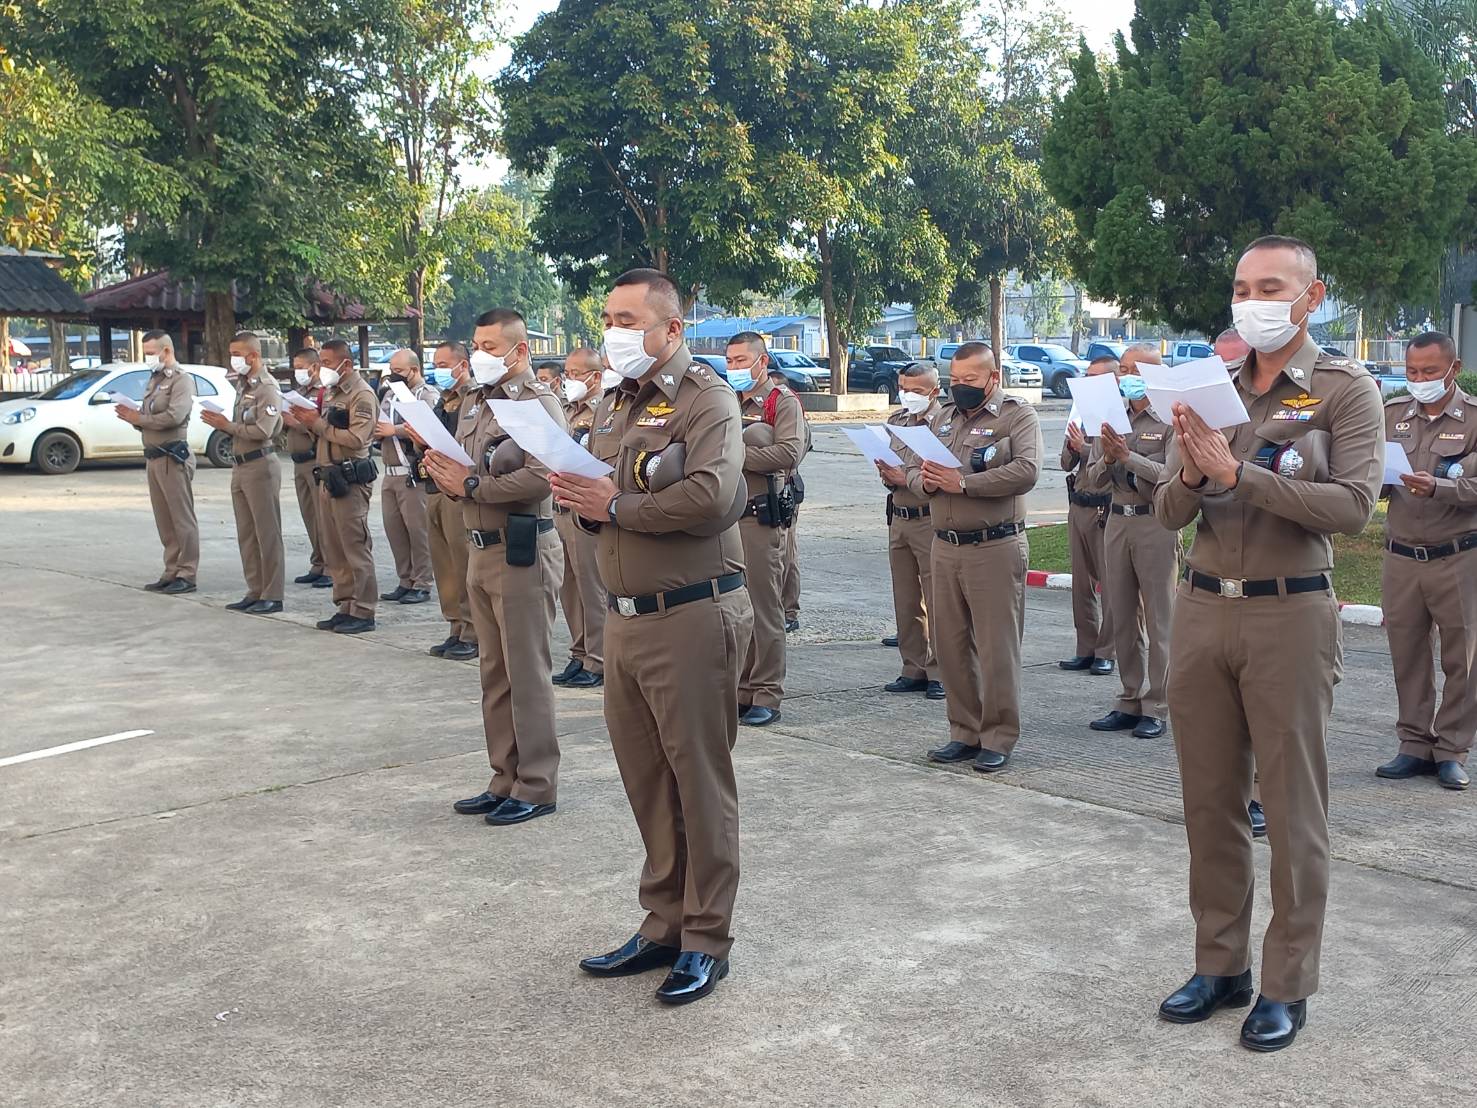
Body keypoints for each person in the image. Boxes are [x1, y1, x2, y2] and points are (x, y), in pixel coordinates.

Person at [1153, 235, 1382, 1052]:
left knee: (1289, 810)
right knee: (1209, 803)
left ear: (1310, 297)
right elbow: (1167, 514)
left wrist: (1236, 475)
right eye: (1243, 285)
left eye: (1271, 286)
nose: (1252, 300)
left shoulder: (1341, 390)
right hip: (1202, 608)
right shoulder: (1207, 387)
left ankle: (1285, 983)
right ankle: (1219, 966)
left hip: (1289, 614)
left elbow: (1353, 506)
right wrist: (1185, 471)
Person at [550, 268, 753, 1007]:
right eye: (608, 317)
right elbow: (601, 495)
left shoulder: (707, 397)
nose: (614, 331)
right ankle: (661, 921)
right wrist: (578, 492)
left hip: (693, 615)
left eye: (629, 319)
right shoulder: (611, 400)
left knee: (699, 783)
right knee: (646, 780)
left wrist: (616, 503)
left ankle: (706, 937)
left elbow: (711, 495)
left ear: (671, 329)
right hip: (625, 620)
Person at [422, 308, 565, 827]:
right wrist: (443, 469)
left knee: (526, 674)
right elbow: (467, 464)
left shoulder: (538, 402)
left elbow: (545, 475)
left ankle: (537, 783)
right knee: (494, 674)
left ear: (519, 351)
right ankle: (503, 775)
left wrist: (472, 486)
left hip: (522, 551)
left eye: (489, 346)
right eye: (476, 344)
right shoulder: (478, 402)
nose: (478, 354)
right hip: (480, 549)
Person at [910, 342, 1042, 773]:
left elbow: (1026, 471)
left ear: (993, 378)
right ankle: (963, 731)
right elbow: (913, 466)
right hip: (945, 545)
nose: (960, 386)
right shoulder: (943, 416)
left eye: (970, 380)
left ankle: (998, 736)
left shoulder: (1016, 415)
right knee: (950, 646)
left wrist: (962, 483)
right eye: (955, 379)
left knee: (995, 648)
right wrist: (925, 482)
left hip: (994, 546)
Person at [1376, 331, 1475, 792]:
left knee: (1463, 657)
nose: (1419, 380)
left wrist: (1440, 488)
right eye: (1412, 372)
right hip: (1402, 555)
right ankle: (1414, 744)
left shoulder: (1473, 419)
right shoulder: (1392, 413)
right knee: (1407, 652)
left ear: (1452, 369)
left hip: (1457, 556)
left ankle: (1452, 748)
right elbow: (1367, 472)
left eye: (1429, 372)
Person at [1086, 345, 1178, 740]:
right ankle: (1128, 696)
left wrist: (1128, 458)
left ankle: (1158, 703)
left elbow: (1173, 473)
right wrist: (1108, 459)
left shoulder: (1172, 419)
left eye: (1133, 369)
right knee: (1121, 614)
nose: (1125, 376)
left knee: (1160, 618)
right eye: (1122, 369)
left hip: (1155, 522)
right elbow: (1090, 479)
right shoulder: (1111, 416)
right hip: (1117, 522)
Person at [729, 331, 806, 727]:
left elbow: (791, 452)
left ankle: (767, 692)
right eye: (731, 361)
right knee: (736, 612)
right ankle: (742, 688)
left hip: (761, 518)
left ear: (762, 361)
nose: (735, 368)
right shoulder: (727, 401)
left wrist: (735, 453)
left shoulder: (780, 401)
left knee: (764, 610)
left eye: (742, 360)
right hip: (727, 519)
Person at [292, 337, 380, 634]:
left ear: (346, 364)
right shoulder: (331, 393)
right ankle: (346, 604)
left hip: (350, 478)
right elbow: (324, 432)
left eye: (327, 363)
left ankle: (364, 610)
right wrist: (306, 420)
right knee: (335, 548)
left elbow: (358, 439)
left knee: (354, 546)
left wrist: (316, 424)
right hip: (328, 477)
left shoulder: (361, 394)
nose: (322, 369)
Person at [201, 332, 285, 614]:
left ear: (253, 356)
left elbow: (263, 430)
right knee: (246, 533)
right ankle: (255, 589)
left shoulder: (267, 387)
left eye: (238, 354)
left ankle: (272, 594)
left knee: (267, 532)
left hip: (261, 464)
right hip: (240, 464)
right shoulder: (244, 384)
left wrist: (227, 426)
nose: (234, 360)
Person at [878, 363, 946, 699]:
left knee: (939, 600)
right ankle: (913, 667)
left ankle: (941, 671)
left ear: (934, 390)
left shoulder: (947, 422)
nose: (908, 395)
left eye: (917, 390)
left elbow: (940, 472)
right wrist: (884, 471)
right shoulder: (897, 421)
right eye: (904, 388)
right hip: (899, 517)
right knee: (906, 599)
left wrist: (905, 477)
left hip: (929, 517)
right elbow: (891, 465)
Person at [116, 330, 198, 594]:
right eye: (146, 353)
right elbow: (149, 416)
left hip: (172, 457)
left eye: (151, 352)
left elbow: (174, 416)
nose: (148, 358)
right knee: (164, 520)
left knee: (182, 519)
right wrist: (134, 418)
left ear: (166, 351)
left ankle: (187, 572)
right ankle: (171, 570)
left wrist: (139, 419)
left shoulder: (181, 380)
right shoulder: (154, 380)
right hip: (153, 457)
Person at [415, 341, 478, 660]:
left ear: (462, 365)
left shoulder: (474, 398)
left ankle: (472, 630)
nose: (438, 369)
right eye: (435, 363)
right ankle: (455, 625)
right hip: (435, 487)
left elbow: (466, 445)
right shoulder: (445, 399)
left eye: (444, 363)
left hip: (458, 489)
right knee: (444, 562)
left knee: (463, 560)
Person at [1058, 355, 1118, 676]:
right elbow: (1065, 462)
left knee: (1109, 583)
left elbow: (1113, 462)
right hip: (1078, 504)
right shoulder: (1081, 411)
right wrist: (1072, 446)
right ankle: (1087, 646)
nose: (1088, 381)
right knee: (1081, 584)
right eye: (1086, 375)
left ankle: (1107, 650)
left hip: (1104, 508)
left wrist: (1083, 447)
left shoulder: (1118, 417)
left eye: (1095, 376)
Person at [551, 347, 607, 689]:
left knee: (591, 587)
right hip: (561, 507)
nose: (569, 380)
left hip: (586, 509)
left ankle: (598, 660)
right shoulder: (567, 410)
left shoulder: (604, 411)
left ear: (595, 376)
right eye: (567, 373)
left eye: (576, 373)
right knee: (568, 586)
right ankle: (580, 651)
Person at [374, 348, 438, 606]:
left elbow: (430, 427)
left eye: (399, 370)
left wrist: (395, 430)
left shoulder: (427, 395)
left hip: (411, 473)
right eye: (391, 369)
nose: (393, 375)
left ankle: (422, 582)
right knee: (395, 530)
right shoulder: (389, 394)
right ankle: (405, 579)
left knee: (418, 531)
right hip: (389, 472)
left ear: (414, 370)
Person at [282, 348, 330, 588]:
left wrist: (297, 423)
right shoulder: (298, 393)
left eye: (302, 367)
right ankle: (318, 562)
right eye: (295, 367)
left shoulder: (322, 392)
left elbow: (321, 424)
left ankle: (330, 565)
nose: (298, 371)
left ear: (315, 367)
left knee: (324, 517)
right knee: (309, 515)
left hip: (315, 459)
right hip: (298, 461)